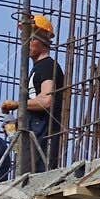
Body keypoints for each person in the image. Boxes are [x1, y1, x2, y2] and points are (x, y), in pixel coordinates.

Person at [23, 19, 65, 173]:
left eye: (30, 39)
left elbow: (47, 100)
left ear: (43, 40)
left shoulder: (48, 66)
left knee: (36, 176)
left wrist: (18, 104)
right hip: (34, 131)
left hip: (43, 134)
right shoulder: (37, 69)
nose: (26, 44)